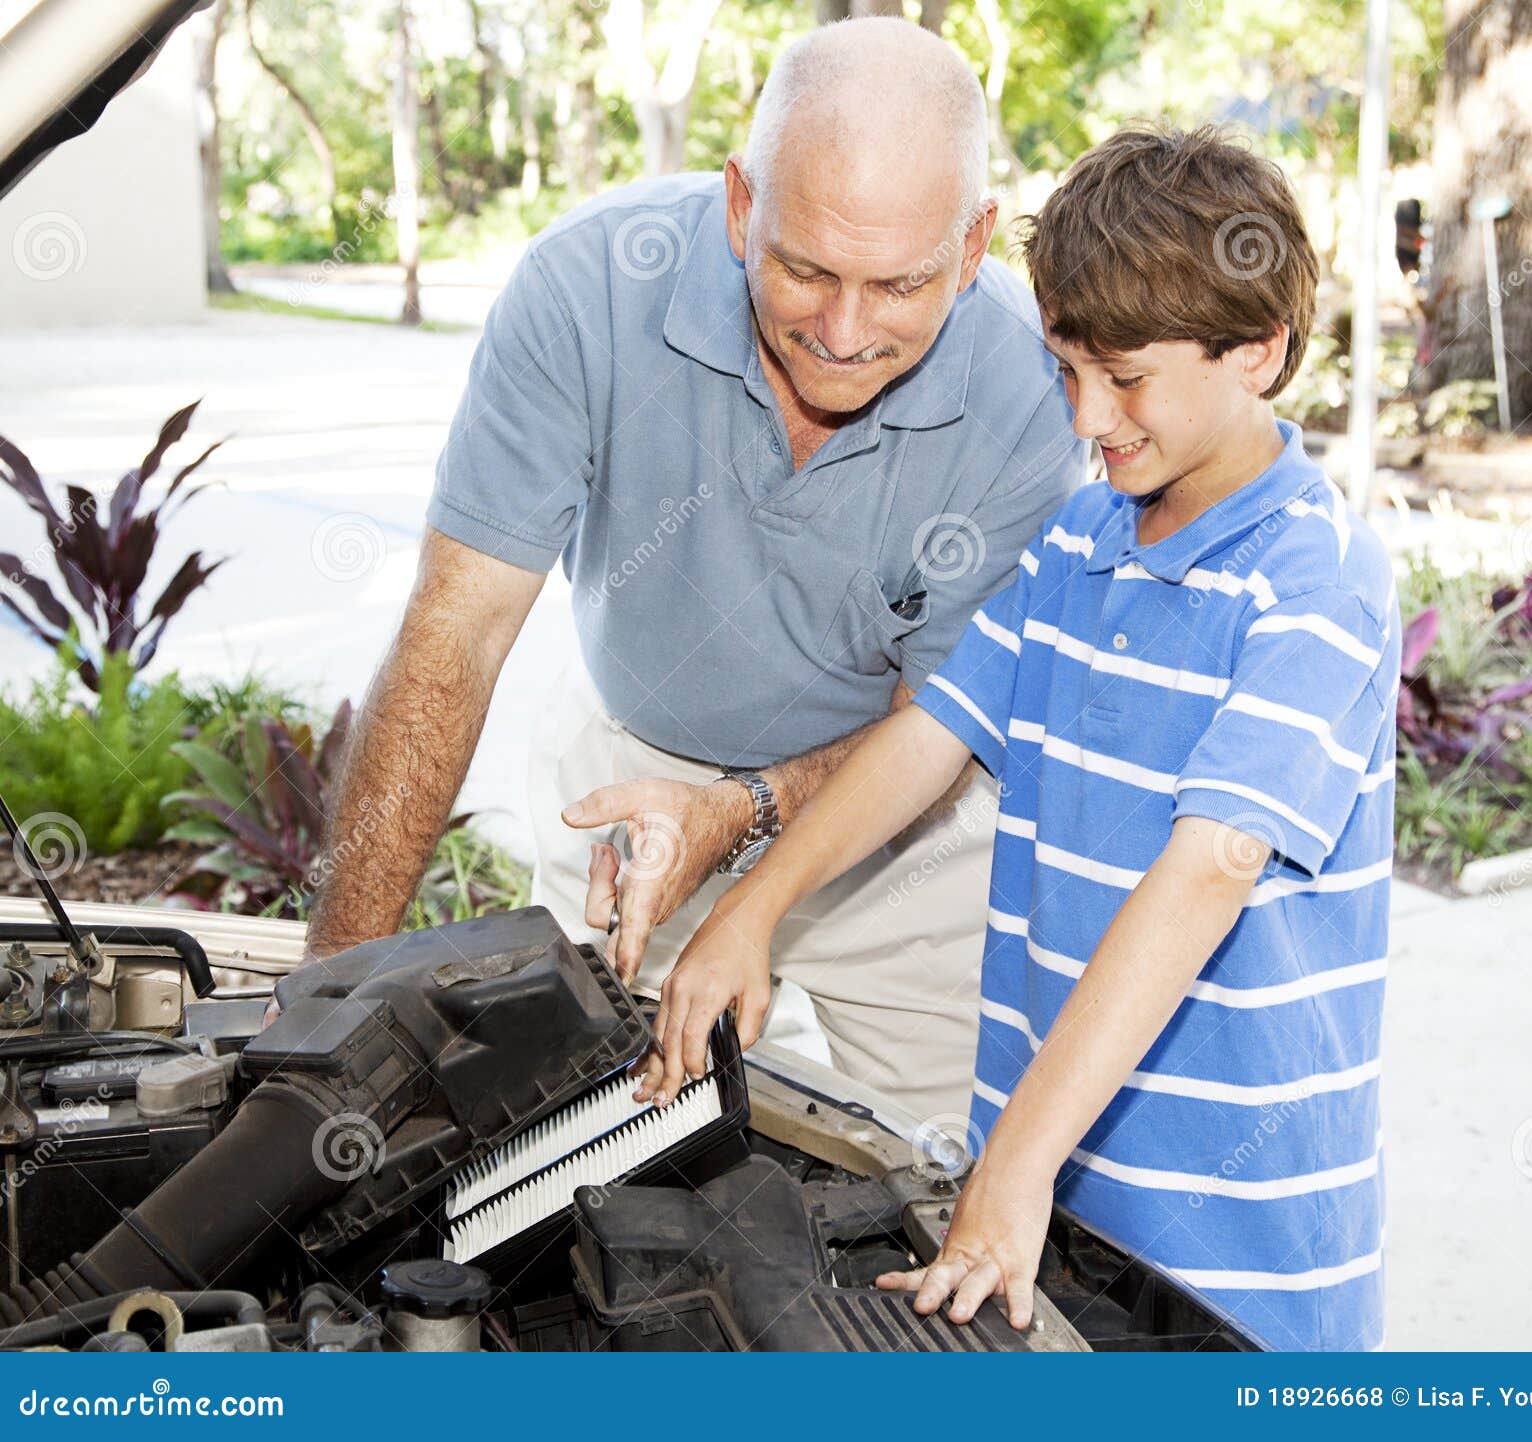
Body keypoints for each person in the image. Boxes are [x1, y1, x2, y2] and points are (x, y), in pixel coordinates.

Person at [640, 125, 1398, 1352]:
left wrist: (1015, 1162)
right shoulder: (1083, 537)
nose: (1088, 416)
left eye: (1127, 378)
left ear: (1257, 352)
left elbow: (1210, 866)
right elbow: (934, 727)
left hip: (1237, 1257)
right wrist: (751, 907)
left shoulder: (1317, 583)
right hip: (1054, 1194)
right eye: (1066, 370)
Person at [293, 17, 1087, 1123]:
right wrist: (326, 1011)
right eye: (805, 269)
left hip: (904, 815)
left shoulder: (1033, 390)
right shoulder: (586, 289)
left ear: (971, 246)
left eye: (898, 286)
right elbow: (455, 633)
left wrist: (743, 819)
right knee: (563, 1152)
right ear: (739, 205)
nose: (844, 331)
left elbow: (941, 721)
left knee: (946, 1178)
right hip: (628, 782)